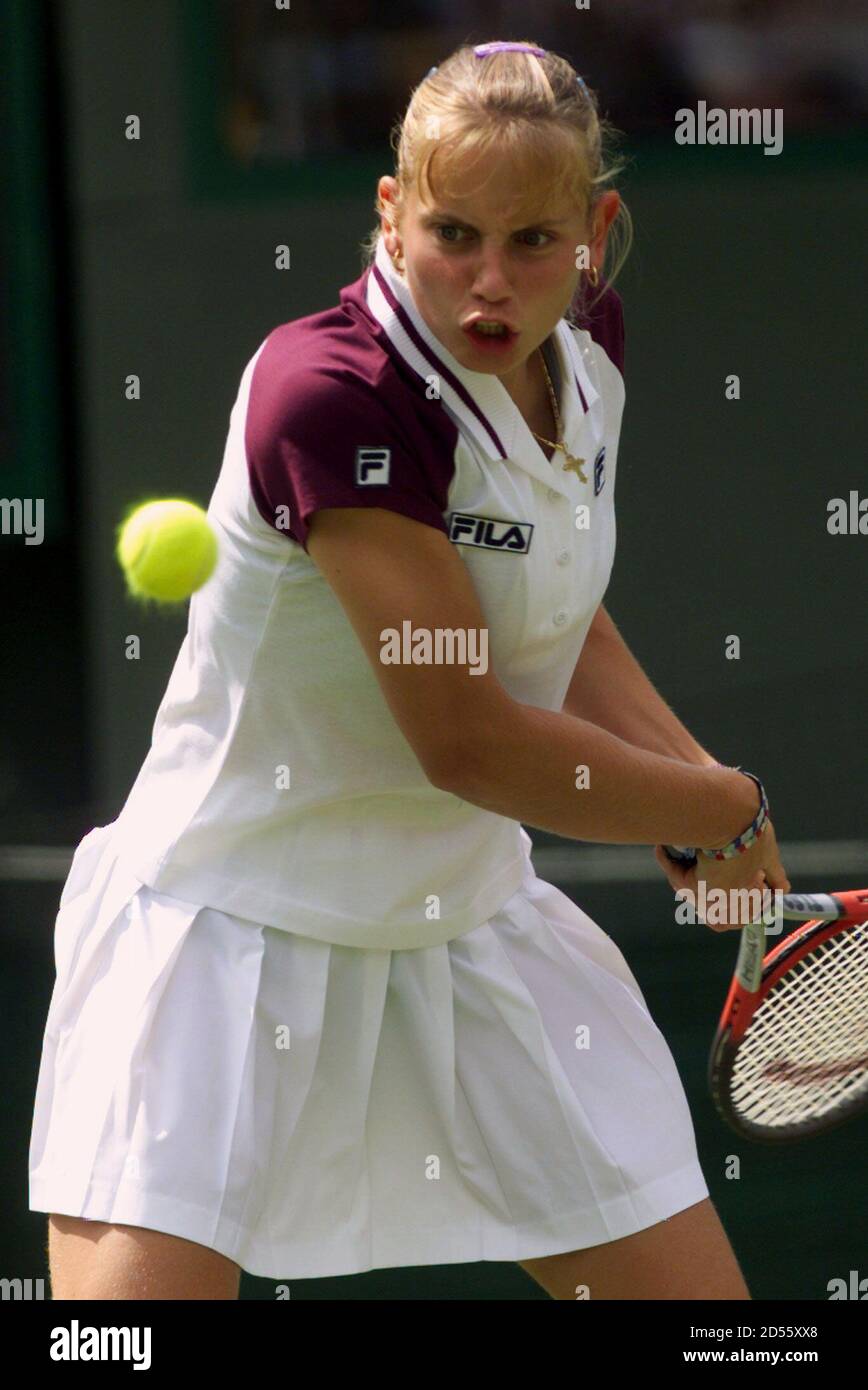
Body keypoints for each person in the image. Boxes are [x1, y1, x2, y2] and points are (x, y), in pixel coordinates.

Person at [30, 39, 790, 1300]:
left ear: (596, 230)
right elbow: (469, 739)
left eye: (534, 242)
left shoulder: (585, 348)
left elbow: (553, 609)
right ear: (390, 211)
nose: (489, 284)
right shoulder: (328, 393)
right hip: (225, 942)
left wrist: (697, 783)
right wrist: (717, 809)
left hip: (465, 931)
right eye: (451, 233)